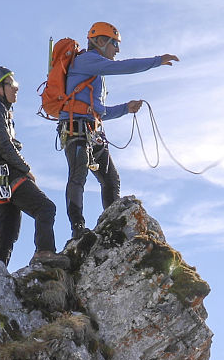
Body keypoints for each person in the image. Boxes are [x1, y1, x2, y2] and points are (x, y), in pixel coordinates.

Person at [60, 22, 178, 239]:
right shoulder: (87, 61)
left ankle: (111, 225)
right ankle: (77, 228)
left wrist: (126, 108)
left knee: (111, 179)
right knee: (78, 176)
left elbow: (98, 112)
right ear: (101, 41)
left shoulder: (94, 71)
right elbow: (122, 67)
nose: (117, 49)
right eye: (115, 44)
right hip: (76, 129)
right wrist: (156, 61)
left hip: (89, 131)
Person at [0, 66, 65, 268]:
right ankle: (44, 252)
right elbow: (3, 144)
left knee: (6, 232)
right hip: (9, 174)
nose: (16, 88)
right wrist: (25, 169)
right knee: (45, 208)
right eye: (12, 84)